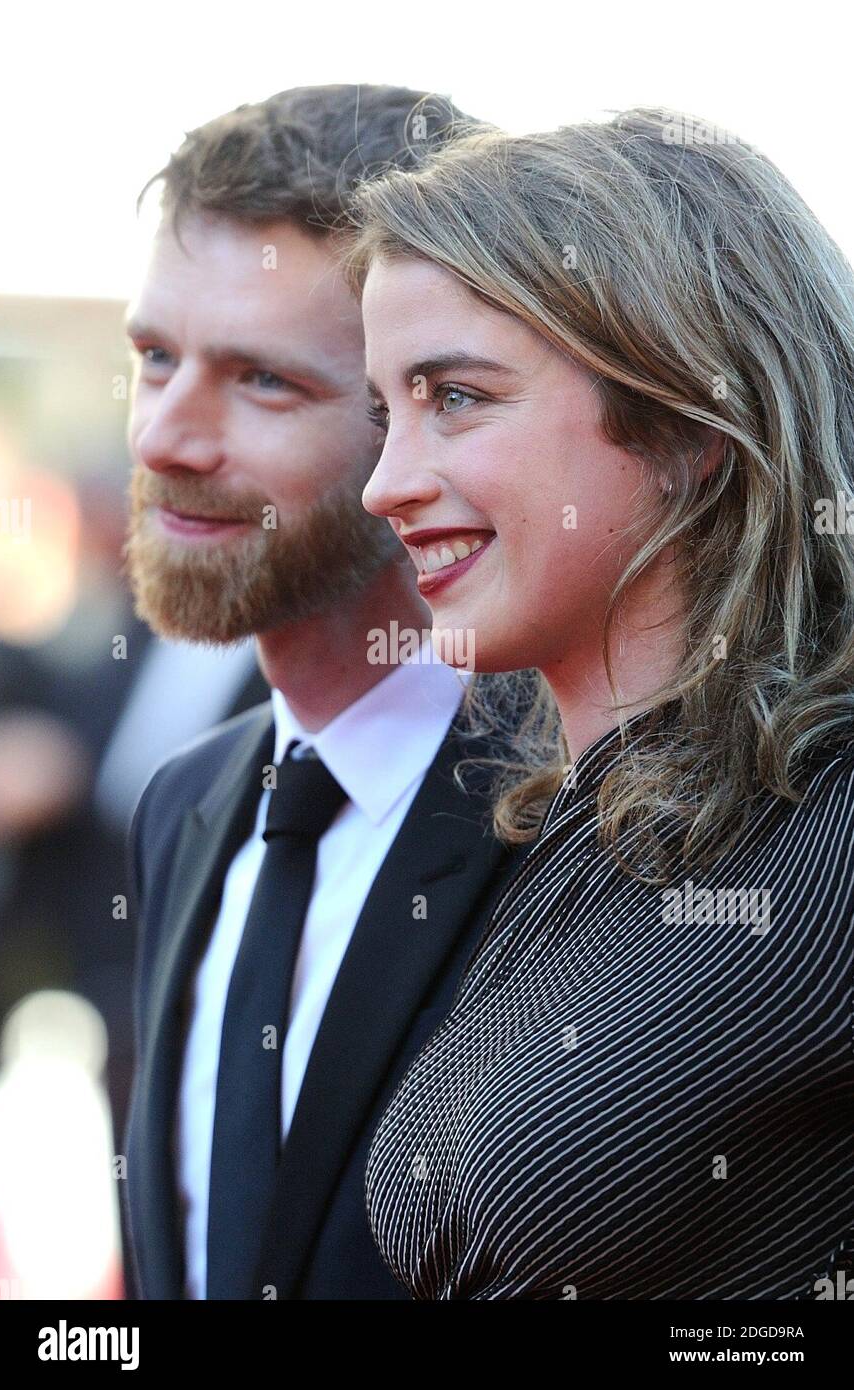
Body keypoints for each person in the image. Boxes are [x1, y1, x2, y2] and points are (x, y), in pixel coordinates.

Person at [347, 106, 854, 1299]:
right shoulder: (585, 833)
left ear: (686, 422)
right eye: (385, 411)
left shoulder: (829, 828)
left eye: (455, 397)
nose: (385, 484)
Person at [121, 83, 530, 1301]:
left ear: (425, 416)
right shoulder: (185, 806)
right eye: (153, 359)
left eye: (261, 382)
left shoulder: (589, 813)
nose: (164, 438)